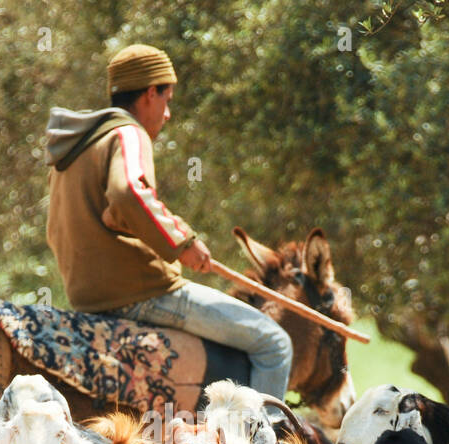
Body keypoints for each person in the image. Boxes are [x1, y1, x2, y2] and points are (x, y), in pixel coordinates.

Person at [44, 43, 293, 399]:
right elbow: (129, 191)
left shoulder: (77, 148)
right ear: (149, 94)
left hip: (86, 296)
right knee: (274, 344)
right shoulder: (128, 133)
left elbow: (103, 215)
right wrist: (184, 244)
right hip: (142, 293)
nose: (168, 113)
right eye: (167, 98)